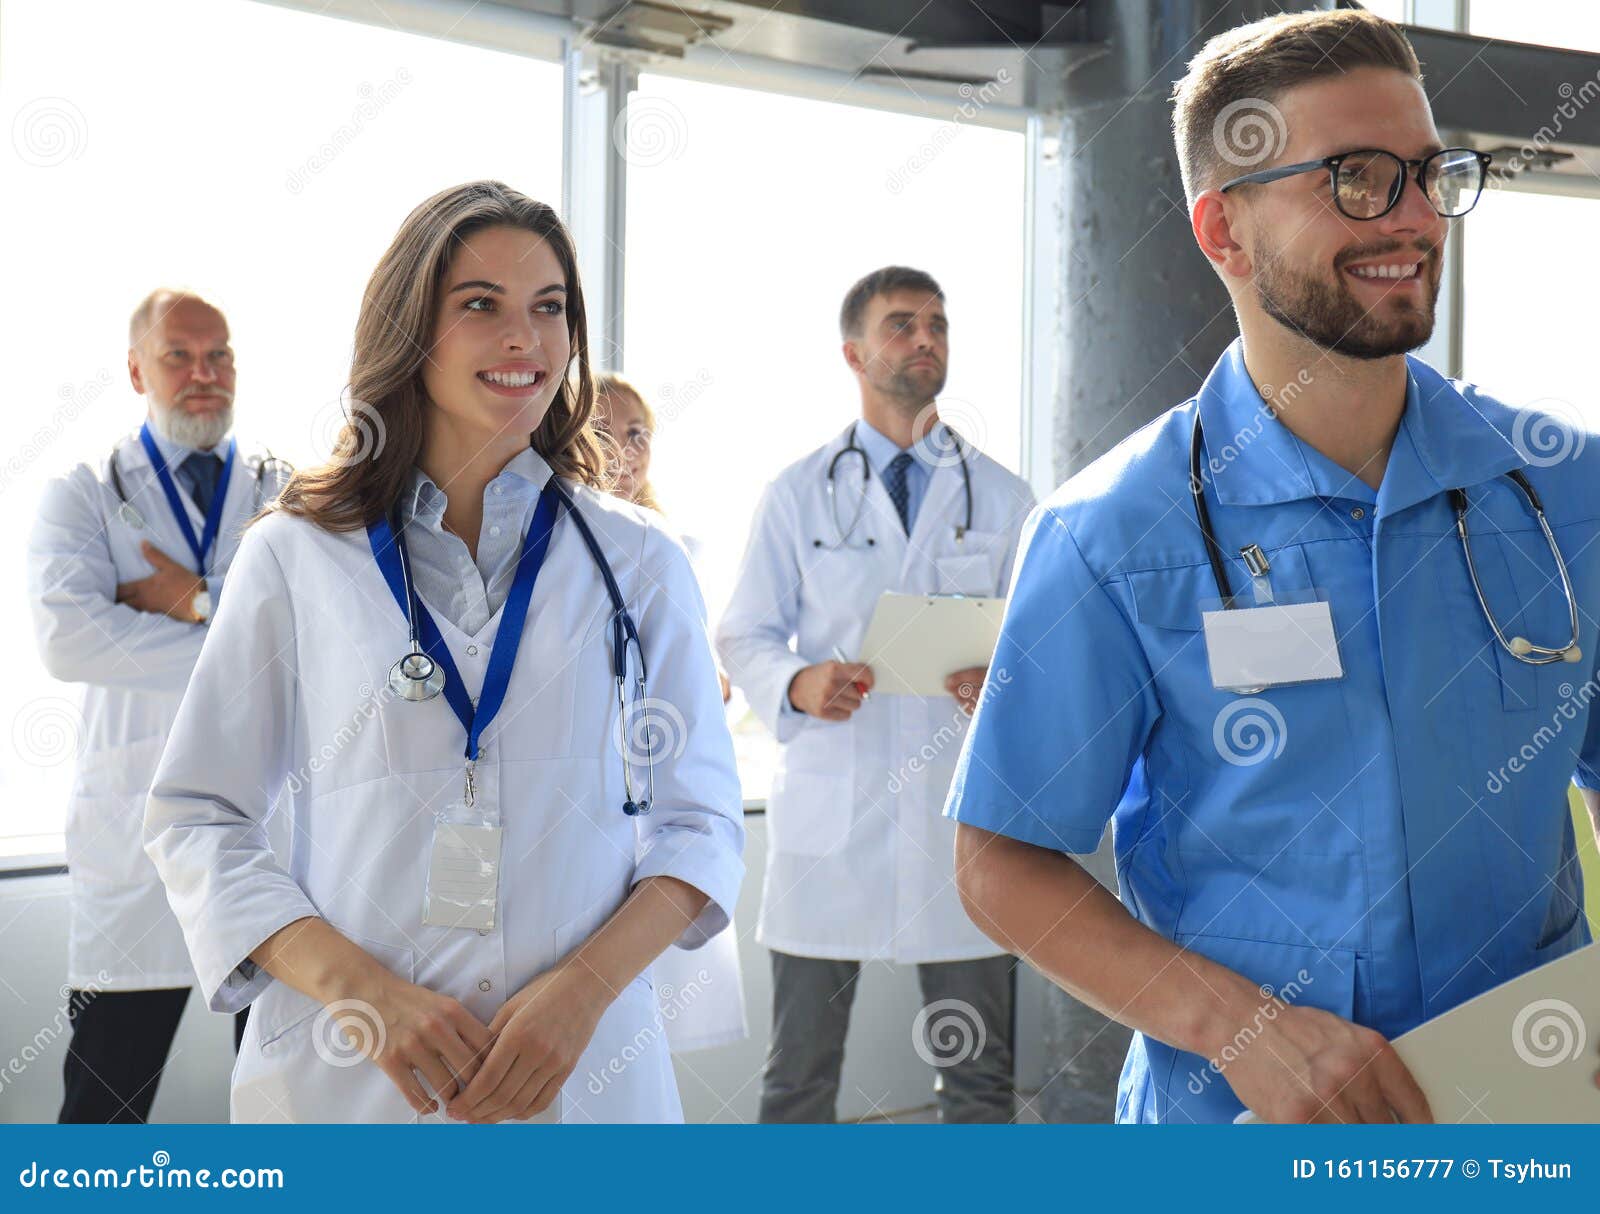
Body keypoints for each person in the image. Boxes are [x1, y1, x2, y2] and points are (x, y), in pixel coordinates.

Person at [946, 9, 1600, 1125]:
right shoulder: (1111, 535)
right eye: (1353, 177)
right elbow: (1002, 860)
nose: (1411, 216)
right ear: (1224, 232)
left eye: (1426, 172)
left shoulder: (1560, 490)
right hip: (1244, 1131)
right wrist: (1239, 1029)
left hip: (1527, 1103)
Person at [142, 180, 745, 1124]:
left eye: (550, 309)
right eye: (481, 306)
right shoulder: (294, 555)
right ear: (408, 331)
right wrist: (361, 993)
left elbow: (702, 822)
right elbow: (198, 814)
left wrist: (582, 993)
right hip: (352, 1082)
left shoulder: (640, 557)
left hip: (581, 1080)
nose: (526, 339)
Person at [717, 266, 1036, 1123]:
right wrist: (799, 682)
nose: (925, 338)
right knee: (799, 1082)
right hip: (834, 819)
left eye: (937, 323)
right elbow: (742, 632)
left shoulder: (1005, 498)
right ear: (854, 353)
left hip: (956, 823)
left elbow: (1041, 647)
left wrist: (996, 683)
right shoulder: (796, 492)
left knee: (978, 1081)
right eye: (902, 325)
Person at [27, 288, 290, 1122]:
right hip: (135, 834)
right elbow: (68, 639)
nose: (203, 374)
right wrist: (235, 631)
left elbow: (309, 642)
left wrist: (190, 599)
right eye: (180, 355)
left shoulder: (287, 490)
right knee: (105, 1101)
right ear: (136, 367)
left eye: (219, 355)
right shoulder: (83, 492)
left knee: (288, 1096)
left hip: (267, 835)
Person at [591, 371, 749, 1054]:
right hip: (593, 803)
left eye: (638, 435)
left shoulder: (669, 545)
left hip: (659, 801)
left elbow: (704, 671)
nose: (625, 451)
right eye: (604, 433)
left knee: (642, 1028)